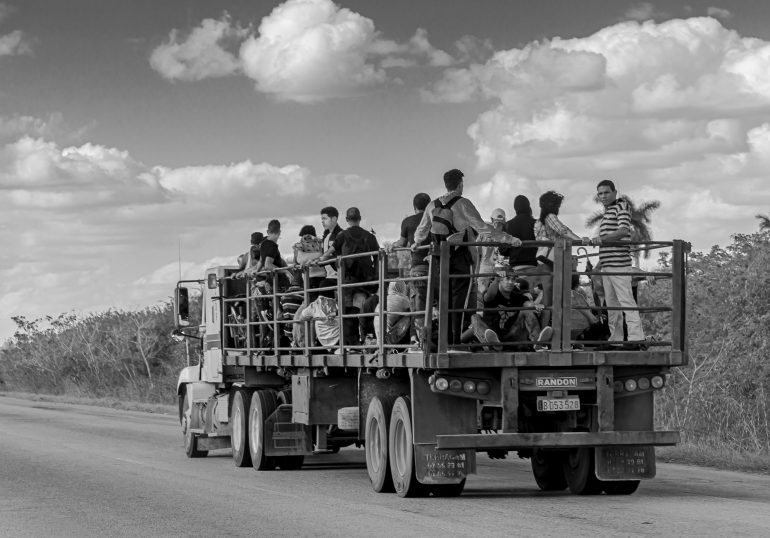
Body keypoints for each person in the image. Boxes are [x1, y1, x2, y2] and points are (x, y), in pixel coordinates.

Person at [413, 168, 521, 345]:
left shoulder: (432, 205)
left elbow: (421, 231)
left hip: (439, 258)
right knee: (459, 302)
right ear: (460, 184)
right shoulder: (463, 203)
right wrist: (509, 239)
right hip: (459, 257)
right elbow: (483, 228)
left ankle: (443, 341)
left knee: (442, 301)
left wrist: (416, 242)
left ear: (446, 184)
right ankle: (454, 342)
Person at [590, 180, 645, 347]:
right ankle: (616, 339)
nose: (603, 196)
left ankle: (636, 337)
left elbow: (623, 230)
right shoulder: (608, 212)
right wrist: (599, 264)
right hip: (607, 264)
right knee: (612, 306)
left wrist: (601, 239)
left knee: (626, 301)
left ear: (615, 192)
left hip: (619, 265)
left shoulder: (621, 207)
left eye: (606, 192)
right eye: (600, 193)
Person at [318, 207, 380, 346]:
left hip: (347, 281)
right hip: (365, 282)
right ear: (359, 219)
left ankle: (349, 344)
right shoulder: (369, 236)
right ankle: (366, 340)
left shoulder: (343, 235)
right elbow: (377, 258)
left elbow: (330, 251)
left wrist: (321, 258)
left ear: (347, 220)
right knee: (363, 310)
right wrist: (376, 278)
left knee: (346, 313)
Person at [533, 190, 590, 328]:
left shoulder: (538, 223)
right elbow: (564, 231)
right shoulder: (550, 217)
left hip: (542, 261)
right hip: (552, 262)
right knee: (556, 300)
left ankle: (544, 334)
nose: (558, 208)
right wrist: (582, 241)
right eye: (557, 204)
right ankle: (549, 336)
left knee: (548, 299)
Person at [385, 192, 432, 348]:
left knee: (417, 306)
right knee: (434, 304)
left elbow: (402, 241)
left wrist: (392, 245)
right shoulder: (434, 220)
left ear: (414, 207)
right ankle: (432, 339)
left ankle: (417, 340)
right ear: (429, 206)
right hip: (436, 266)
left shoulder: (408, 221)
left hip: (417, 267)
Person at [462, 266, 544, 351]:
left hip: (512, 335)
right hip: (492, 336)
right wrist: (496, 279)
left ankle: (537, 342)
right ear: (500, 280)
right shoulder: (492, 294)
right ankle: (494, 345)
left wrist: (535, 306)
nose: (510, 282)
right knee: (475, 317)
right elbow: (489, 295)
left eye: (513, 279)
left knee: (527, 311)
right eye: (507, 279)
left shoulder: (518, 296)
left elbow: (527, 304)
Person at [477, 208, 507, 309]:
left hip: (484, 269)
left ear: (491, 219)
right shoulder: (507, 236)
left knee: (483, 297)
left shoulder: (483, 233)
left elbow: (476, 252)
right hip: (500, 269)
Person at [316, 206, 344, 298]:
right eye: (321, 219)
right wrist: (315, 260)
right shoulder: (326, 236)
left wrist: (324, 260)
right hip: (329, 276)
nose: (322, 221)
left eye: (325, 218)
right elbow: (324, 256)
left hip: (339, 275)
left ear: (334, 219)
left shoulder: (341, 234)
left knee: (324, 286)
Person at [293, 224, 325, 300]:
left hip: (307, 278)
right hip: (322, 276)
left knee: (310, 301)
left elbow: (295, 262)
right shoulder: (320, 243)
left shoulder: (298, 246)